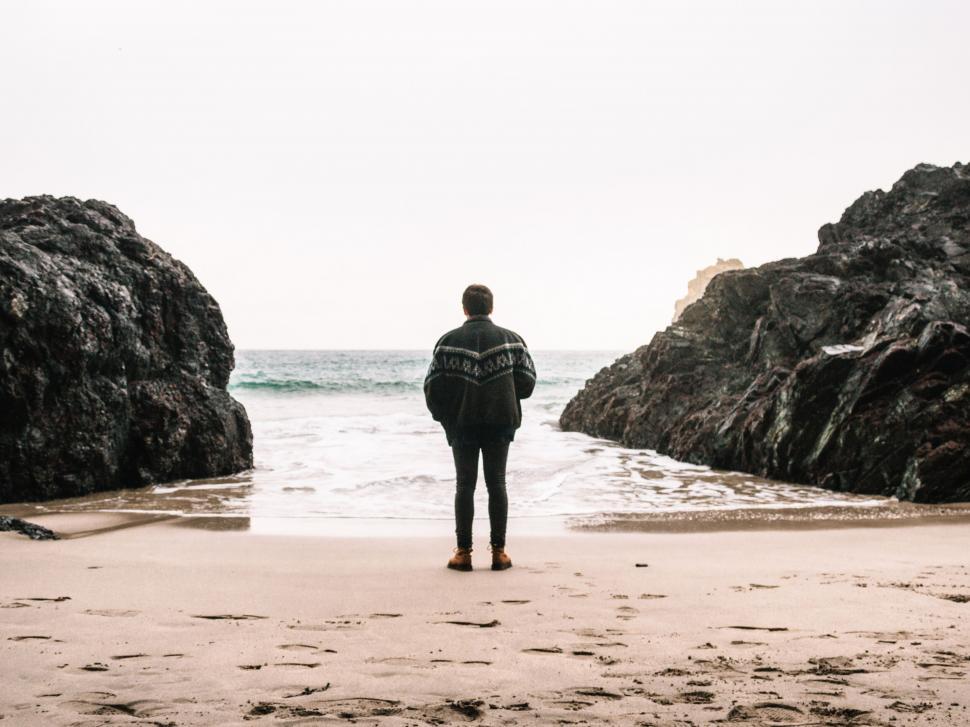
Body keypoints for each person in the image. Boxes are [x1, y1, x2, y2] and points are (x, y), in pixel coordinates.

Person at [424, 284, 536, 572]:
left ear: (464, 309)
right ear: (491, 308)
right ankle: (499, 553)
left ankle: (463, 553)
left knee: (465, 485)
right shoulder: (512, 341)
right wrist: (504, 394)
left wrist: (446, 417)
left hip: (462, 424)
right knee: (497, 483)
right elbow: (527, 383)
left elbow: (432, 388)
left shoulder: (448, 342)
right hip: (500, 421)